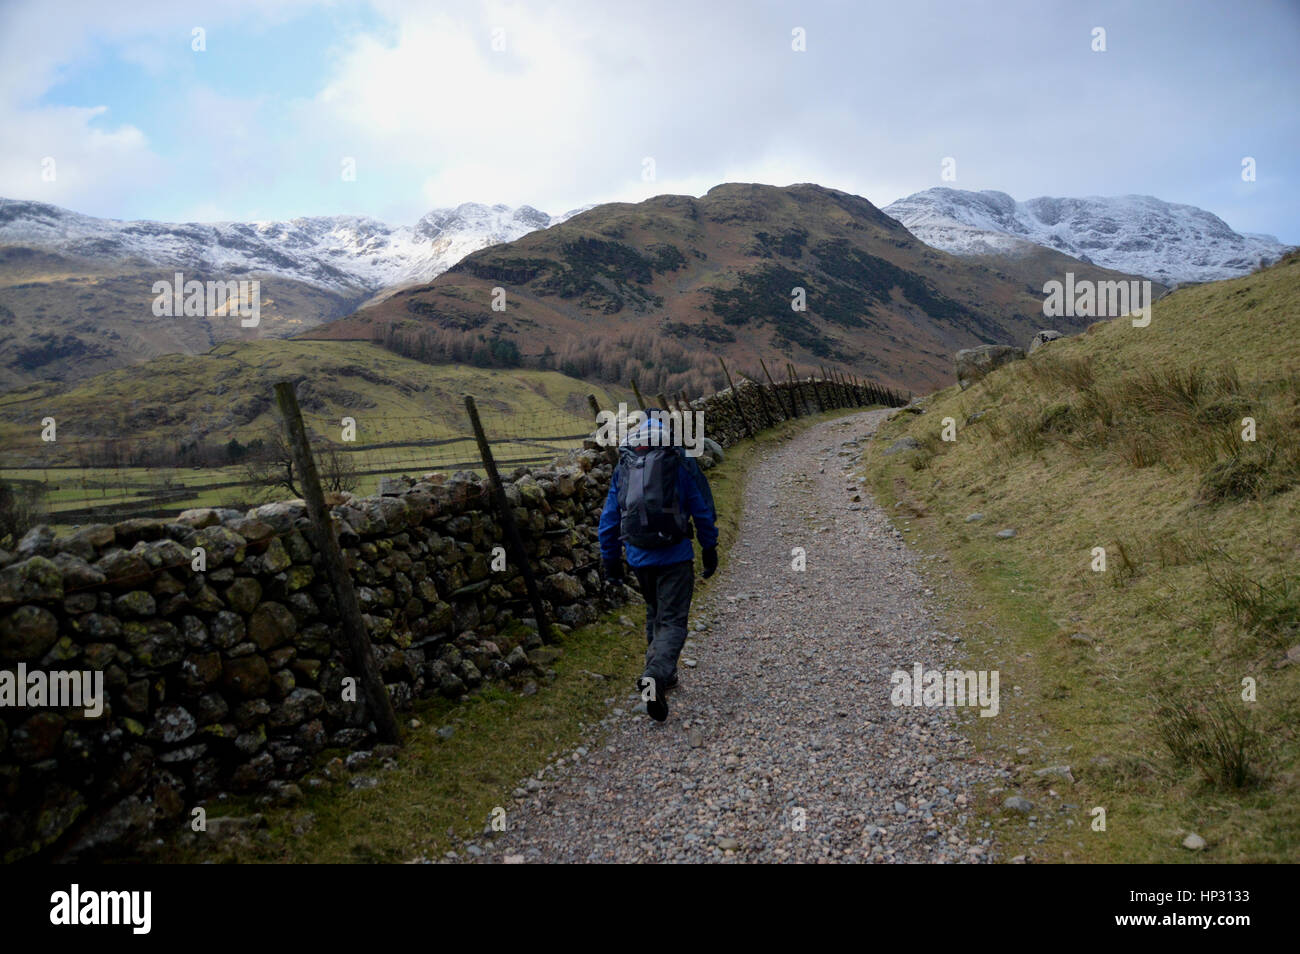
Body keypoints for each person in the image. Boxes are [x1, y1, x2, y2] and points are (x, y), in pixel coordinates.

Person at [598, 409, 718, 722]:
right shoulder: (678, 458)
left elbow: (610, 518)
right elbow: (702, 508)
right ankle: (655, 675)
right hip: (675, 554)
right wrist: (710, 547)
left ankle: (662, 677)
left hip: (638, 556)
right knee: (673, 620)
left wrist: (611, 562)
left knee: (655, 612)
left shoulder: (626, 462)